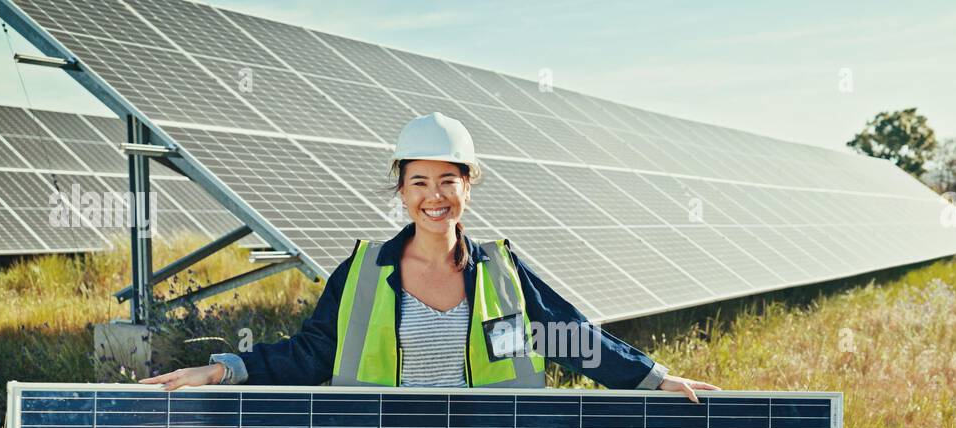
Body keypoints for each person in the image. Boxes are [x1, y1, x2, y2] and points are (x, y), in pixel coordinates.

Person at [140, 113, 720, 402]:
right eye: (419, 181)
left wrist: (655, 378)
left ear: (469, 186)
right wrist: (221, 369)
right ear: (401, 189)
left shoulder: (502, 273)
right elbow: (313, 353)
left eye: (448, 180)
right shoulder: (364, 271)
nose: (433, 196)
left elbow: (567, 335)